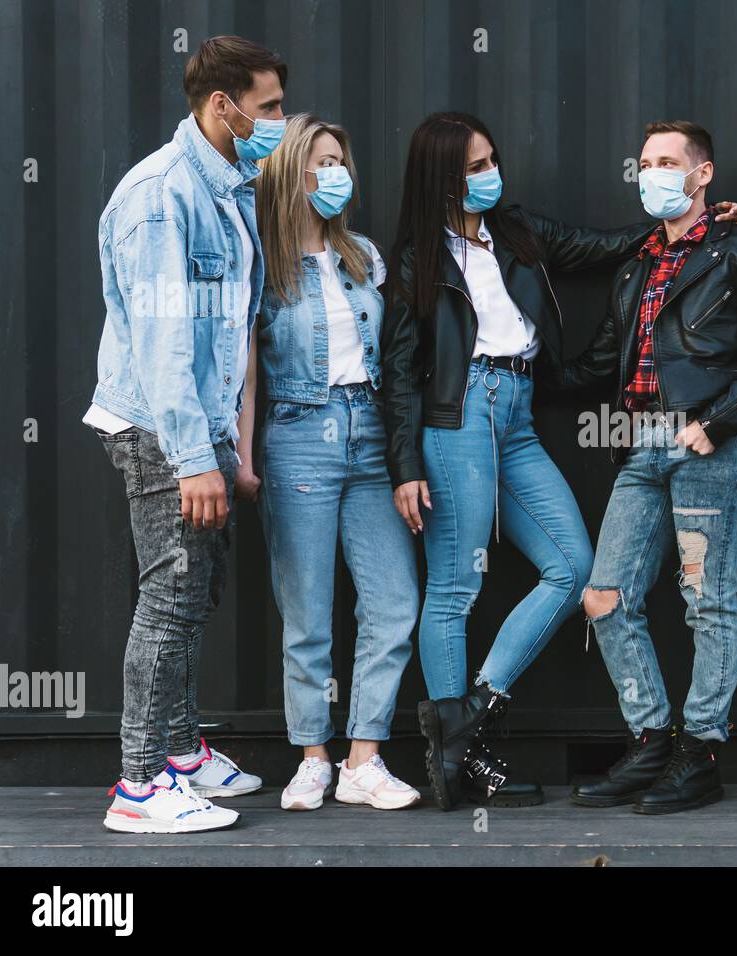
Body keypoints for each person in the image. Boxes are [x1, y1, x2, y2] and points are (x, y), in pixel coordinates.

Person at [381, 112, 737, 810]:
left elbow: (607, 246)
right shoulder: (415, 262)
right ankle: (460, 756)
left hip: (516, 410)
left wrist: (699, 222)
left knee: (575, 567)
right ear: (441, 179)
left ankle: (470, 712)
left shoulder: (517, 232)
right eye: (473, 168)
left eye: (491, 160)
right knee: (455, 587)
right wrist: (405, 466)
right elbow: (400, 372)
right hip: (458, 419)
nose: (490, 176)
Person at [567, 120, 737, 815]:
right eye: (643, 163)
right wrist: (506, 368)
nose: (652, 174)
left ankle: (701, 754)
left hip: (712, 446)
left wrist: (715, 424)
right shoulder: (636, 264)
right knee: (604, 596)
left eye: (668, 162)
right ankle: (650, 742)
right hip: (641, 447)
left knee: (707, 599)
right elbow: (605, 359)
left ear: (703, 175)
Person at [90, 35, 283, 833]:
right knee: (169, 600)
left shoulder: (227, 187)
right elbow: (166, 345)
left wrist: (226, 449)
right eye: (268, 107)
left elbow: (227, 333)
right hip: (158, 430)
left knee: (193, 594)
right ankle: (138, 786)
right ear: (221, 106)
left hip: (196, 432)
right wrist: (192, 458)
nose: (279, 122)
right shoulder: (163, 196)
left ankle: (177, 751)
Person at [252, 114, 421, 812]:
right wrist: (238, 455)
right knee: (308, 612)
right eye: (320, 162)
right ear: (292, 171)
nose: (334, 175)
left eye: (339, 162)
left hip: (370, 438)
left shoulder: (365, 258)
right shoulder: (262, 262)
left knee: (394, 602)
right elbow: (241, 371)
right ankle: (312, 756)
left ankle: (364, 758)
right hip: (297, 436)